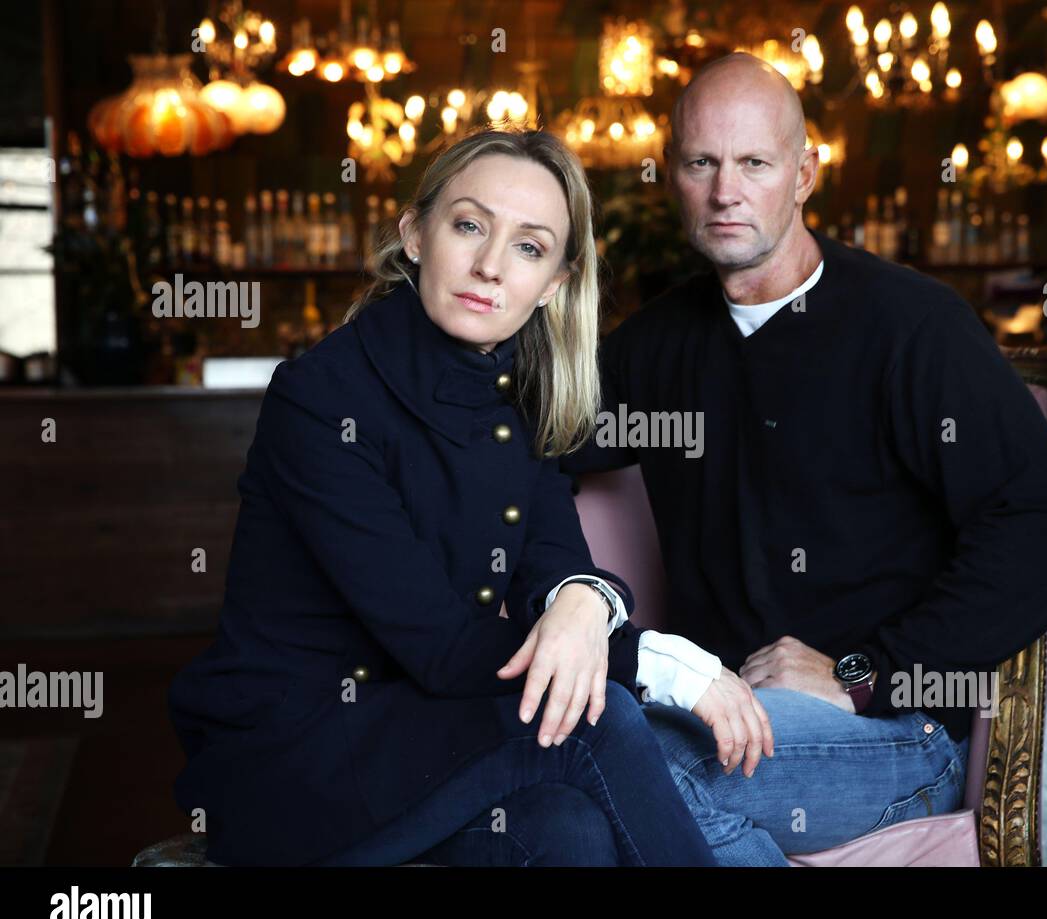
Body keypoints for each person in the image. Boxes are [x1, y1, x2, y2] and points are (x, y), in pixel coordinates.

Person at [561, 53, 1047, 866]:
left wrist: (862, 672)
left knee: (640, 777)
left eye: (754, 164)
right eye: (701, 163)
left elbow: (1046, 536)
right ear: (671, 174)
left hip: (894, 736)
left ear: (805, 172)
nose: (724, 191)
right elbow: (534, 441)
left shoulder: (913, 328)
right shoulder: (657, 345)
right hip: (717, 713)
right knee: (553, 769)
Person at [167, 127, 718, 867]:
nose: (490, 266)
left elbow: (554, 563)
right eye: (469, 226)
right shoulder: (322, 398)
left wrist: (587, 600)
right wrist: (667, 666)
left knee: (567, 831)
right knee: (595, 717)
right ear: (415, 235)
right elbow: (440, 646)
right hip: (299, 761)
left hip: (419, 741)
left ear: (554, 283)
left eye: (528, 247)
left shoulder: (522, 391)